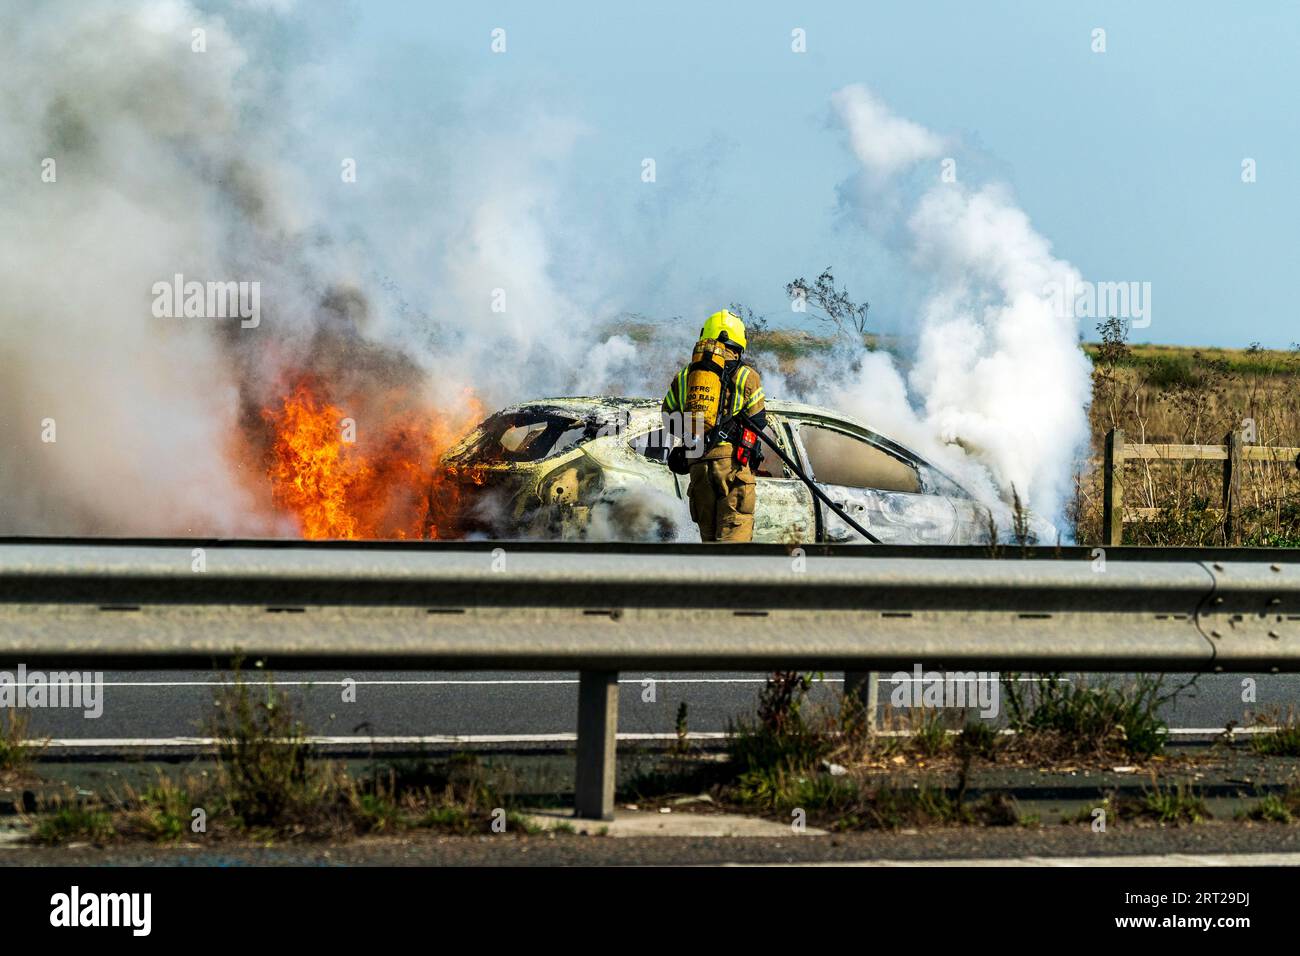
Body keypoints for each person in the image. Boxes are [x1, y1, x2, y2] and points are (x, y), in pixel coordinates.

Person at [661, 309, 767, 542]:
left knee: (708, 545)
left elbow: (669, 418)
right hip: (733, 470)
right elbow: (759, 421)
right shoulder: (747, 376)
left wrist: (696, 436)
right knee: (733, 546)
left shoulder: (684, 376)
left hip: (698, 468)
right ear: (739, 342)